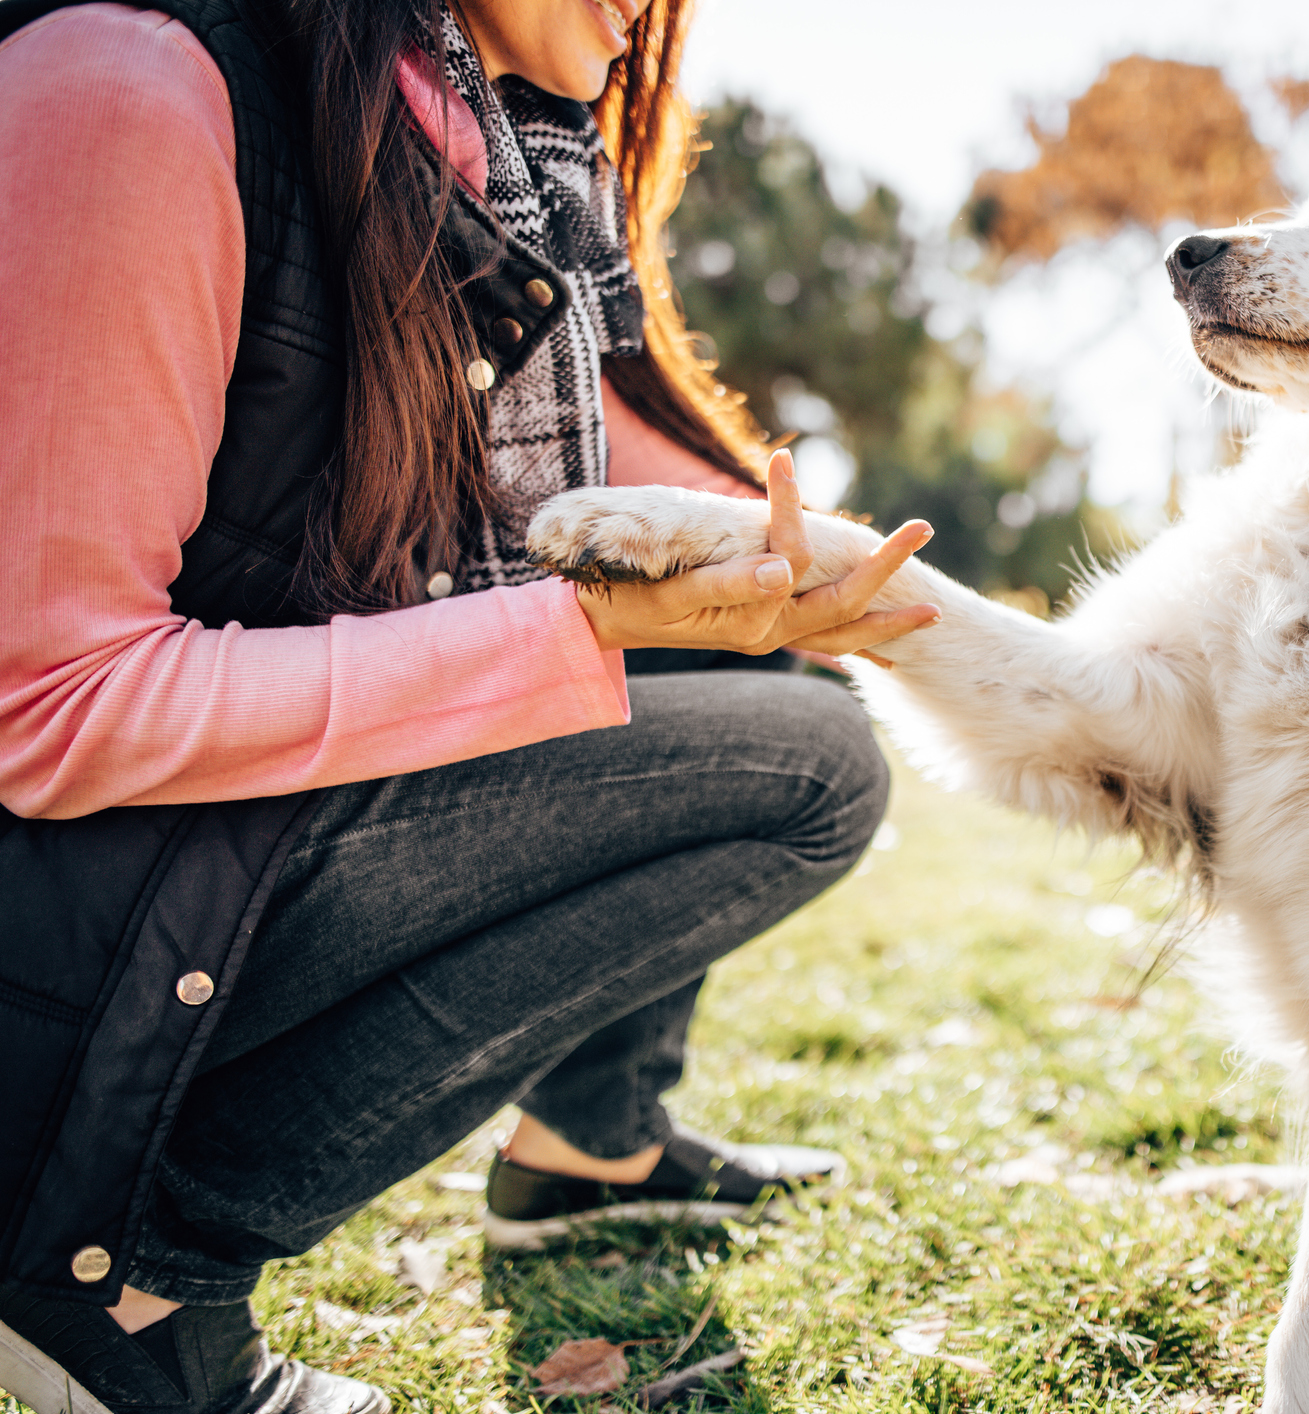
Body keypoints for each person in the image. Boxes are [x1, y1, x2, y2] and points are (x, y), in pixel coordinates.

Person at [0, 0, 941, 1410]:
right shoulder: (131, 83)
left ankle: (591, 1144)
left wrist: (815, 578)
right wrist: (570, 630)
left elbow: (658, 484)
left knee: (749, 655)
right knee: (809, 767)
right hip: (65, 914)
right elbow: (50, 709)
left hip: (187, 861)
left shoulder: (491, 168)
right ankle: (120, 1268)